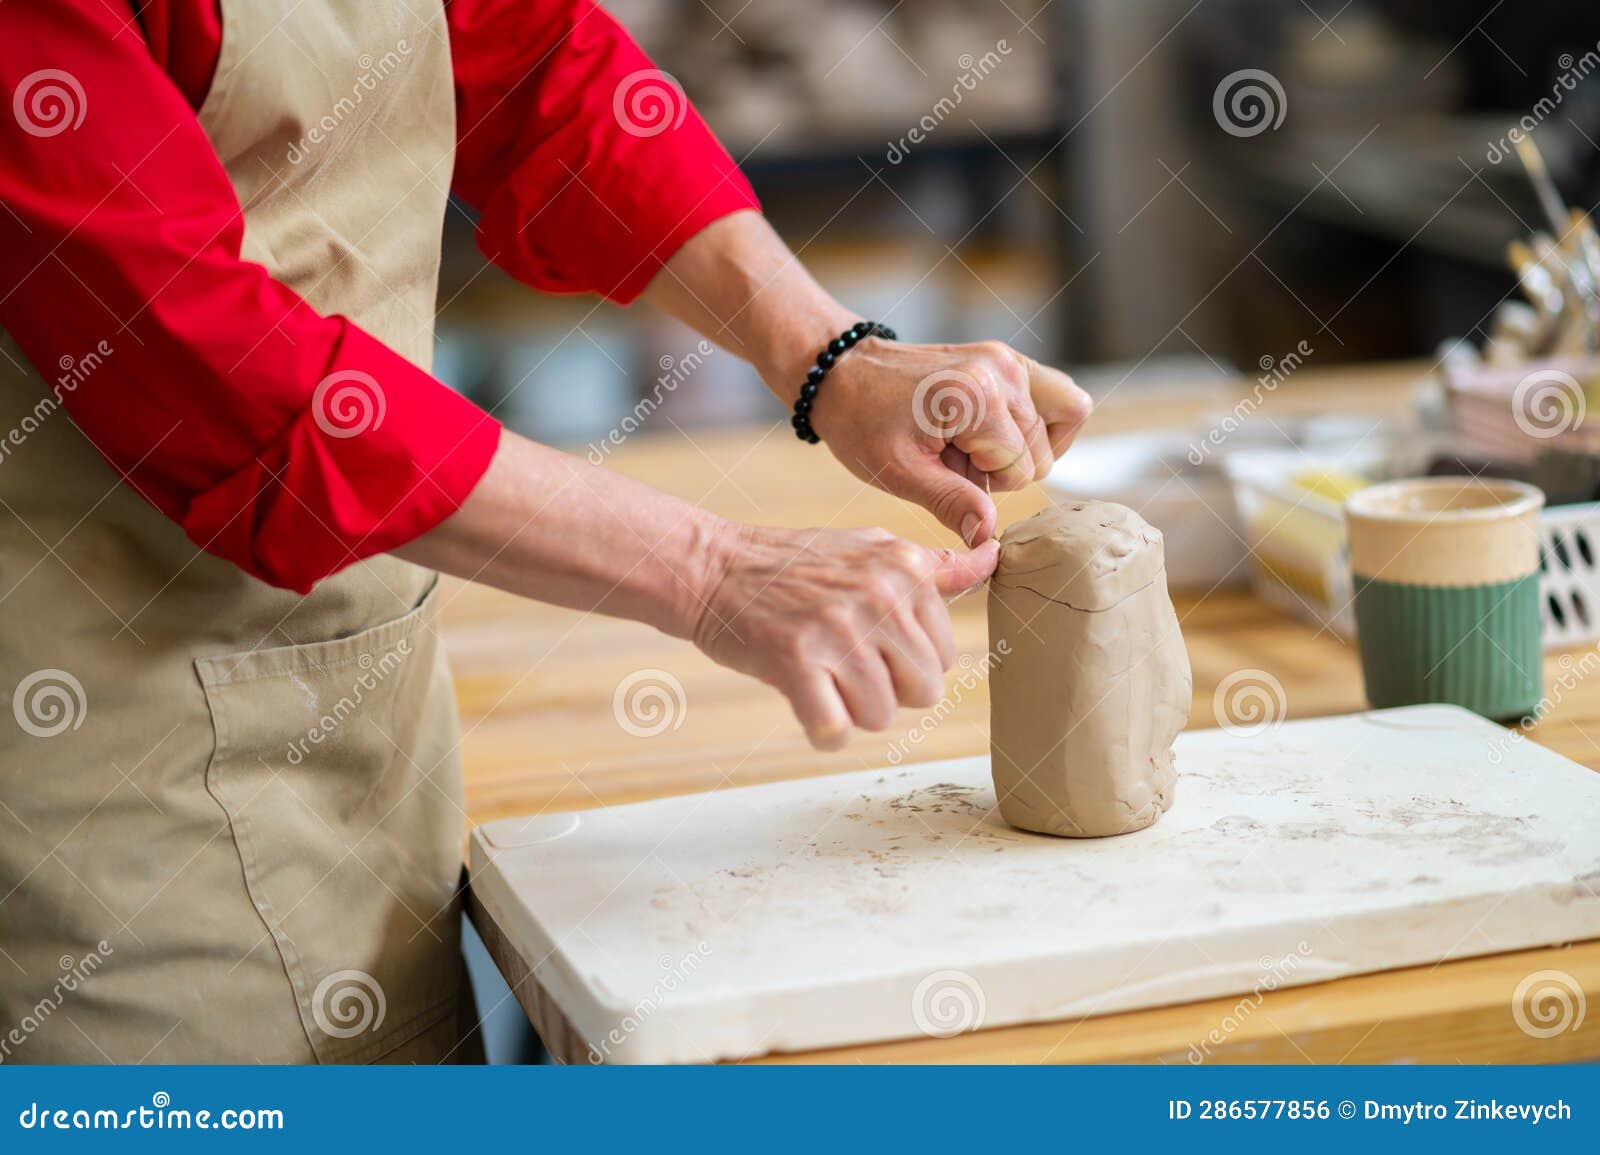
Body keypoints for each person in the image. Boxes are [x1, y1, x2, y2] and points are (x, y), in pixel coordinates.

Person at [0, 0, 1090, 1063]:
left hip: (346, 680)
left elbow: (534, 65)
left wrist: (830, 353)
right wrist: (712, 571)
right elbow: (212, 366)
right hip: (102, 755)